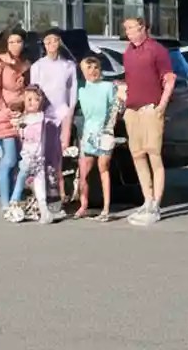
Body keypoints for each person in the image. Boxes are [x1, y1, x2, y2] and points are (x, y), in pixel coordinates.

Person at [120, 17, 176, 226]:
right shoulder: (128, 52)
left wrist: (161, 105)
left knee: (154, 154)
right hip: (132, 109)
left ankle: (156, 205)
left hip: (150, 108)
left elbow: (169, 78)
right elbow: (129, 79)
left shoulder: (156, 50)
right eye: (126, 29)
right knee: (137, 155)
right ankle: (147, 199)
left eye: (132, 28)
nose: (129, 32)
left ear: (143, 28)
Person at [31, 29, 77, 210]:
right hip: (43, 116)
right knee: (41, 157)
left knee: (59, 158)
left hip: (62, 115)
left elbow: (71, 96)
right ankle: (41, 198)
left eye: (55, 41)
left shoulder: (69, 66)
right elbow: (33, 94)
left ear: (59, 43)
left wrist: (68, 120)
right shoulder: (38, 66)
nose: (51, 45)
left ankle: (59, 196)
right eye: (48, 42)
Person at [0, 27, 30, 219]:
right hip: (4, 115)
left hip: (23, 114)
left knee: (23, 161)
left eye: (19, 41)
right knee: (9, 159)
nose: (16, 45)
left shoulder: (25, 63)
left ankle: (17, 198)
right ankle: (6, 204)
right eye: (12, 42)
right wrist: (7, 112)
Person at [74, 56, 119, 221]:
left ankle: (106, 208)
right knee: (84, 171)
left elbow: (115, 108)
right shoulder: (81, 88)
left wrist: (109, 129)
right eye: (89, 68)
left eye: (96, 67)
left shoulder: (108, 87)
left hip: (105, 131)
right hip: (88, 132)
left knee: (103, 168)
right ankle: (83, 205)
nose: (93, 71)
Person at [5, 86, 57, 224]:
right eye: (28, 99)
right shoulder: (24, 118)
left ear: (41, 102)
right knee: (24, 177)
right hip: (27, 156)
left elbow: (37, 137)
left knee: (38, 182)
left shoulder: (40, 118)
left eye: (35, 100)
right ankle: (17, 202)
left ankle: (43, 209)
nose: (31, 102)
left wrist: (21, 125)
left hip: (36, 157)